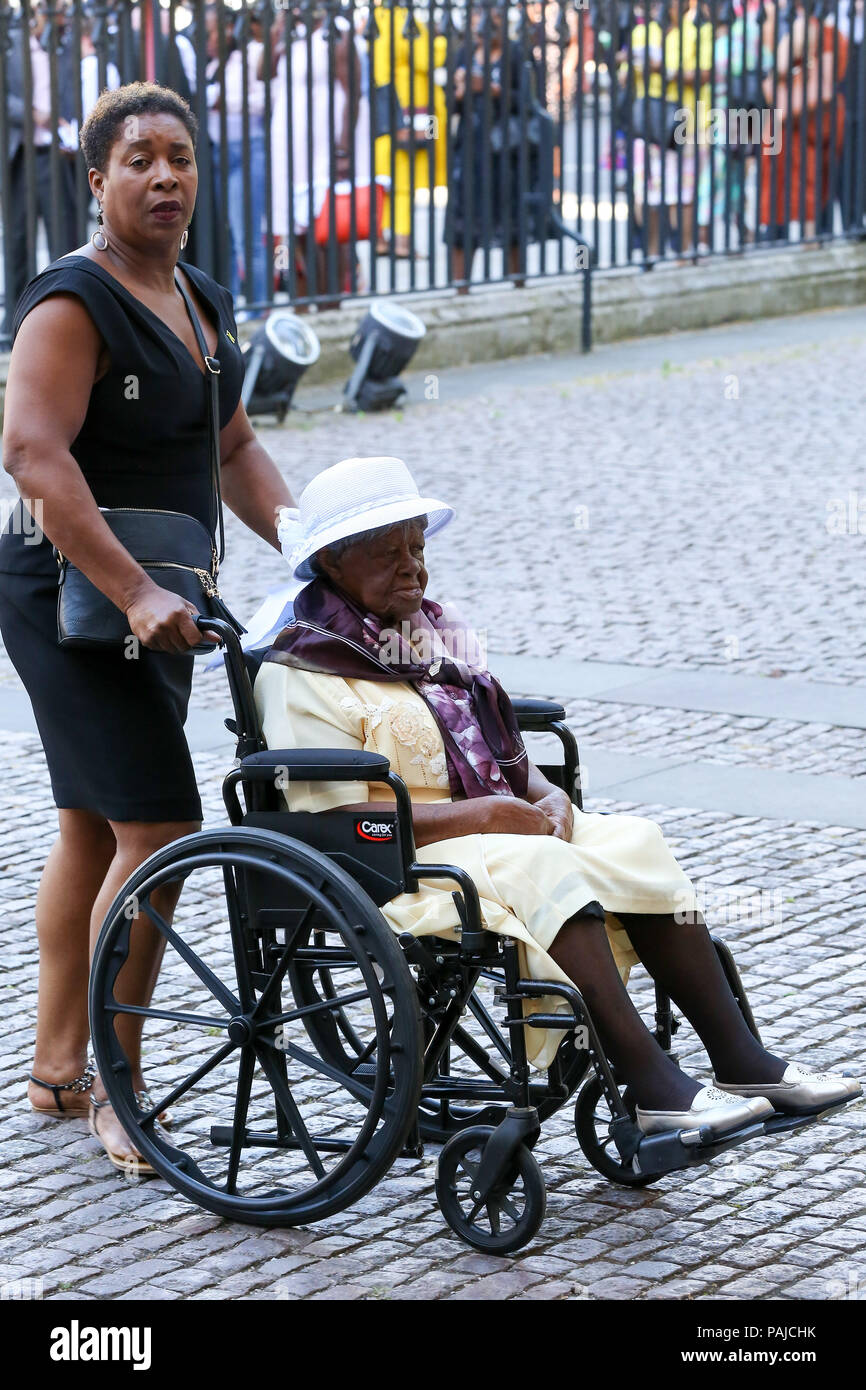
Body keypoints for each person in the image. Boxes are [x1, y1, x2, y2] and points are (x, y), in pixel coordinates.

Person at [256, 457, 861, 1135]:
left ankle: (742, 1058)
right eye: (388, 553)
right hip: (397, 862)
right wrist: (485, 815)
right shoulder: (302, 669)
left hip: (496, 831)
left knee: (634, 842)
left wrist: (546, 796)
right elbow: (335, 817)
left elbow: (501, 750)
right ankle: (653, 1084)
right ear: (334, 564)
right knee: (544, 867)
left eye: (418, 548)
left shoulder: (434, 635)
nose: (413, 568)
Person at [0, 82, 295, 1174]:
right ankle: (117, 1092)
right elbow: (33, 453)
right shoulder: (71, 302)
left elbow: (234, 452)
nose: (165, 176)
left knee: (93, 826)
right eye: (139, 160)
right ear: (96, 180)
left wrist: (319, 550)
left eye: (180, 157)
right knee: (158, 833)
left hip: (163, 599)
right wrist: (131, 593)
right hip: (77, 601)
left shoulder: (194, 295)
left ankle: (56, 1065)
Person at [265, 5, 371, 299]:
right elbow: (264, 72)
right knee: (294, 227)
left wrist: (344, 150)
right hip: (291, 141)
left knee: (328, 230)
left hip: (326, 142)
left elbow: (354, 94)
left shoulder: (337, 34)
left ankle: (330, 303)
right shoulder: (292, 35)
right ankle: (301, 302)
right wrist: (277, 30)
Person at [445, 6, 545, 289]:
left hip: (507, 151)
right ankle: (460, 288)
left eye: (496, 16)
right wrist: (461, 91)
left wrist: (491, 88)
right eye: (480, 14)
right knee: (464, 217)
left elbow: (530, 104)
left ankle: (518, 284)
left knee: (511, 217)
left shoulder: (517, 54)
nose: (487, 22)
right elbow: (448, 105)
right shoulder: (463, 54)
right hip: (470, 149)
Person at [2, 4, 78, 338]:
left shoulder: (67, 47)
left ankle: (65, 320)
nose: (59, 17)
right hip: (21, 157)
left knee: (65, 240)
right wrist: (34, 113)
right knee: (18, 239)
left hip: (56, 154)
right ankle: (15, 326)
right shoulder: (13, 43)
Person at [760, 0, 848, 239]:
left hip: (805, 120)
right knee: (805, 185)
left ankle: (809, 243)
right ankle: (804, 238)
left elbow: (781, 69)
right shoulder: (826, 32)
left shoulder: (820, 33)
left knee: (807, 186)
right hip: (804, 118)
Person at [371, 3, 448, 259]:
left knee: (385, 178)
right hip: (410, 104)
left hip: (383, 104)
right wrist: (440, 42)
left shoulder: (376, 18)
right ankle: (402, 242)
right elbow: (426, 58)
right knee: (405, 180)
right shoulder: (403, 19)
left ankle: (381, 237)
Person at [204, 3, 268, 308]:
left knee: (248, 237)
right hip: (219, 154)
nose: (209, 39)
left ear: (230, 29)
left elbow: (265, 99)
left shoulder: (253, 55)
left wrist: (225, 101)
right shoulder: (214, 65)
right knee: (226, 237)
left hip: (247, 150)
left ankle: (259, 306)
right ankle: (228, 309)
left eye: (214, 32)